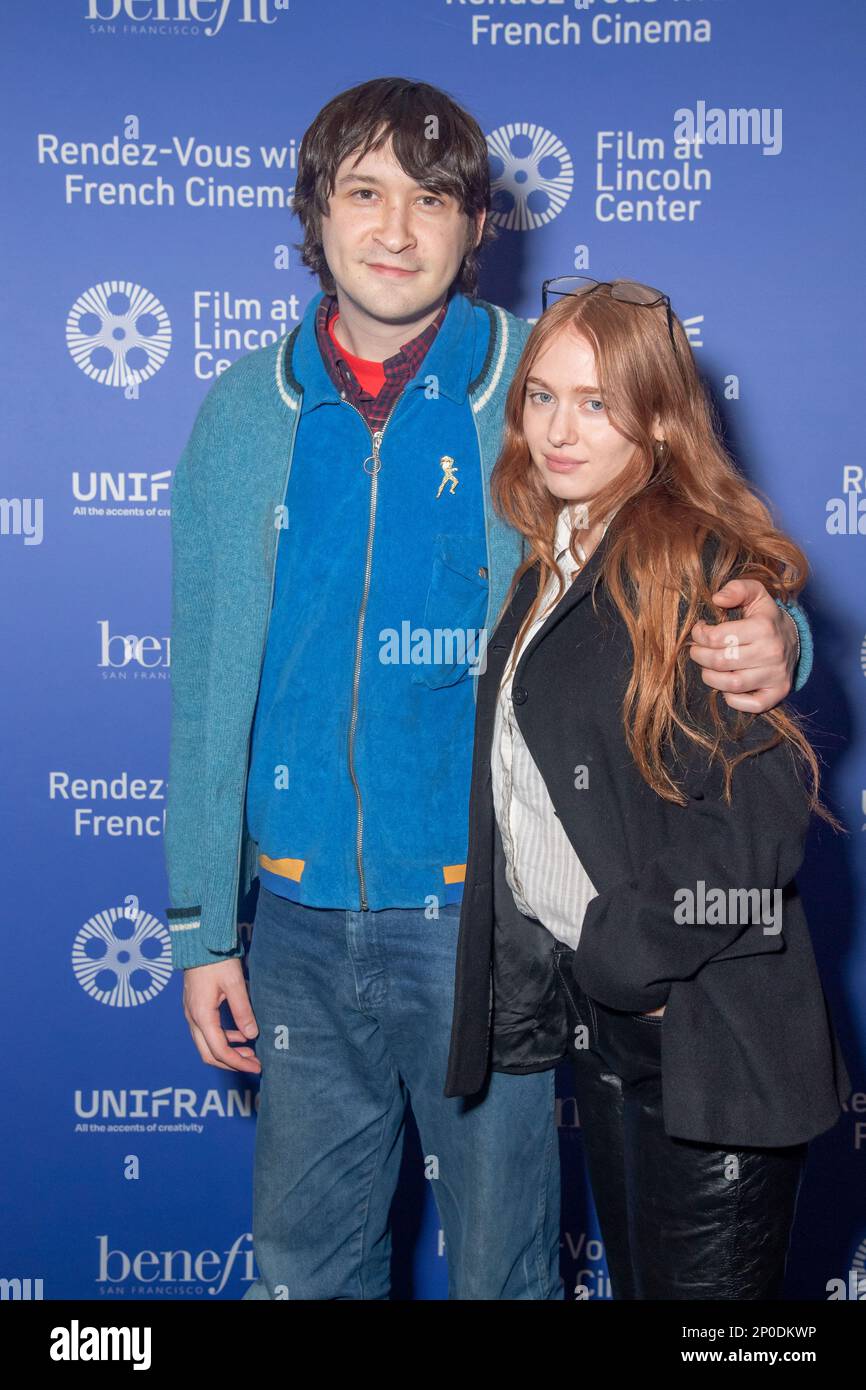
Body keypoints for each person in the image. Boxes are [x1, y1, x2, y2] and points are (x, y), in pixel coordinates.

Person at [165, 78, 810, 1300]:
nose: (395, 230)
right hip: (293, 926)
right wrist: (201, 924)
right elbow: (206, 685)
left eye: (431, 198)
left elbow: (691, 549)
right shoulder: (244, 412)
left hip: (487, 930)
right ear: (317, 214)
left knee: (503, 1276)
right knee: (302, 1274)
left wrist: (778, 640)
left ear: (477, 226)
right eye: (363, 193)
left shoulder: (543, 384)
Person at [444, 275, 851, 1300]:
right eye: (541, 396)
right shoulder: (555, 553)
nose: (559, 429)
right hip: (620, 1025)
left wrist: (633, 958)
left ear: (660, 420)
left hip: (709, 1035)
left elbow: (756, 849)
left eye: (595, 402)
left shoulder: (691, 561)